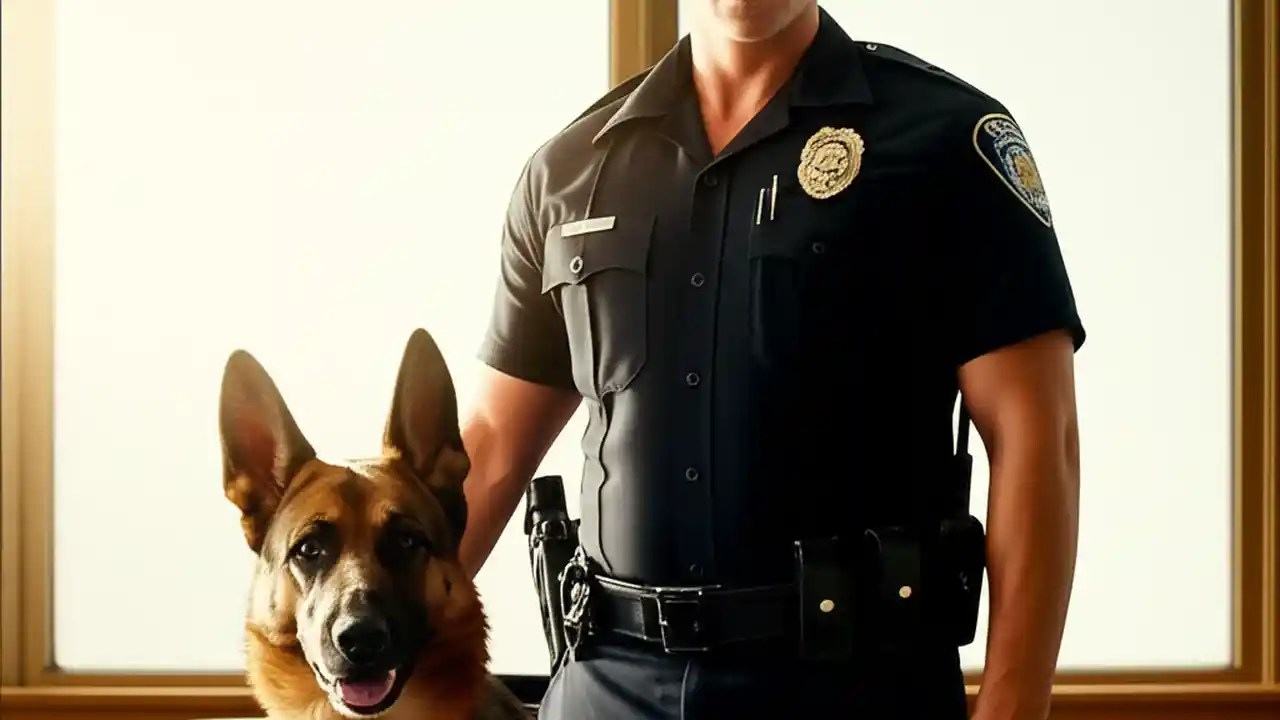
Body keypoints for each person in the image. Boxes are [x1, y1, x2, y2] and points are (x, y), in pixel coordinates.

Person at [459, 1, 1084, 718]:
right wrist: (370, 645)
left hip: (852, 688)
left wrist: (1012, 704)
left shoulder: (946, 142)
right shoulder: (570, 169)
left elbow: (1038, 439)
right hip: (606, 689)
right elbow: (493, 447)